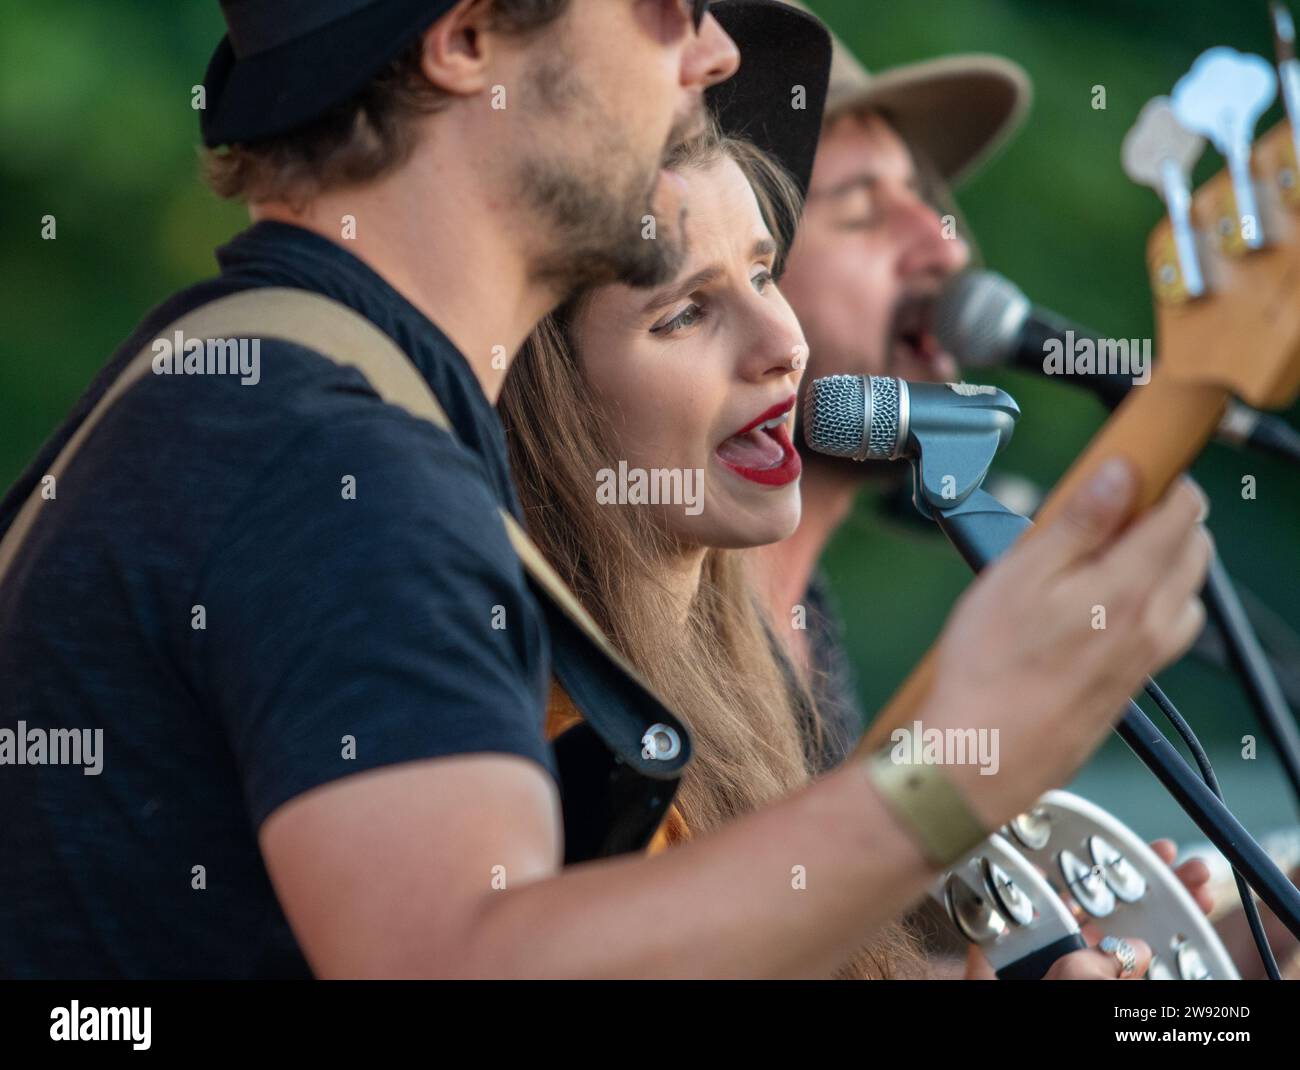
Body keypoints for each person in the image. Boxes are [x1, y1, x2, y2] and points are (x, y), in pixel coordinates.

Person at [0, 0, 1209, 980]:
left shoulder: (291, 399)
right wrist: (953, 768)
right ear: (467, 37)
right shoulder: (332, 457)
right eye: (661, 5)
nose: (714, 49)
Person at [750, 5, 1299, 979]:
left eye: (931, 198)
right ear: (731, 267)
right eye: (864, 209)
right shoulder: (625, 630)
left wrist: (1213, 961)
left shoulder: (809, 625)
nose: (945, 243)